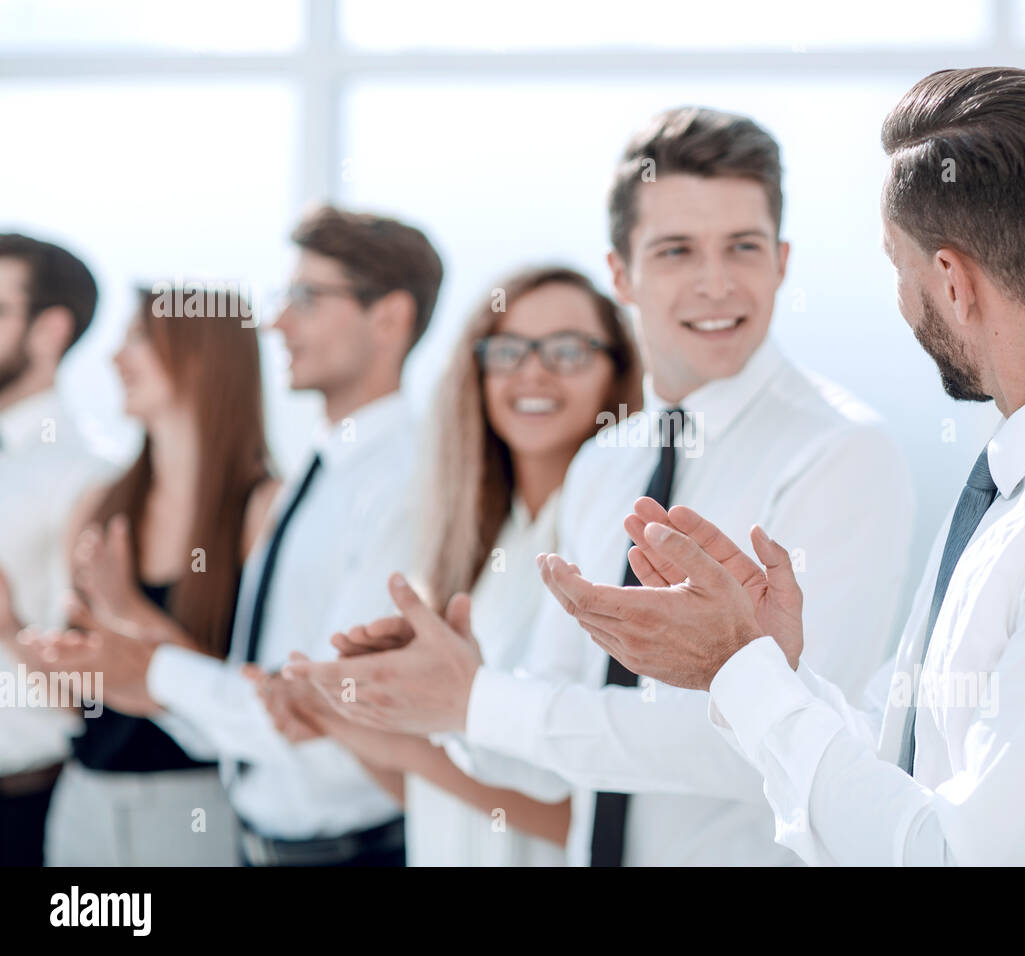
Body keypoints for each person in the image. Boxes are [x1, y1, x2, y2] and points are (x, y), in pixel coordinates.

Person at [532, 68, 1025, 866]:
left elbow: (955, 859)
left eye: (899, 266)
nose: (900, 302)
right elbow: (912, 774)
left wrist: (735, 669)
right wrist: (770, 667)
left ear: (953, 283)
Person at [285, 107, 916, 866]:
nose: (716, 283)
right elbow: (545, 770)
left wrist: (483, 701)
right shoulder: (606, 464)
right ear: (622, 273)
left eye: (742, 247)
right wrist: (452, 687)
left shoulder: (842, 453)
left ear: (781, 261)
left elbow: (776, 747)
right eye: (677, 250)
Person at [47, 207, 445, 867]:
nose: (275, 322)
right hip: (262, 842)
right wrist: (144, 677)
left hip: (347, 850)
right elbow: (257, 693)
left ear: (390, 318)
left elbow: (319, 707)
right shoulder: (320, 477)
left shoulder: (400, 484)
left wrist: (149, 667)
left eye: (307, 299)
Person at [261, 266, 643, 865]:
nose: (534, 371)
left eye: (568, 350)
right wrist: (349, 718)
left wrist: (417, 736)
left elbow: (586, 813)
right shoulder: (476, 546)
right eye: (508, 351)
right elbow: (433, 798)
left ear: (616, 371)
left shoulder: (626, 548)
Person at [30, 283, 279, 866]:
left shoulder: (261, 510)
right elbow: (74, 699)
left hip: (199, 806)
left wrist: (128, 613)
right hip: (84, 800)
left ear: (200, 355)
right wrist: (12, 625)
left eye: (138, 339)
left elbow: (253, 701)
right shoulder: (100, 504)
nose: (116, 359)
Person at [0, 233, 110, 866]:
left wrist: (7, 624)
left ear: (51, 329)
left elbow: (95, 686)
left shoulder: (86, 477)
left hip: (26, 811)